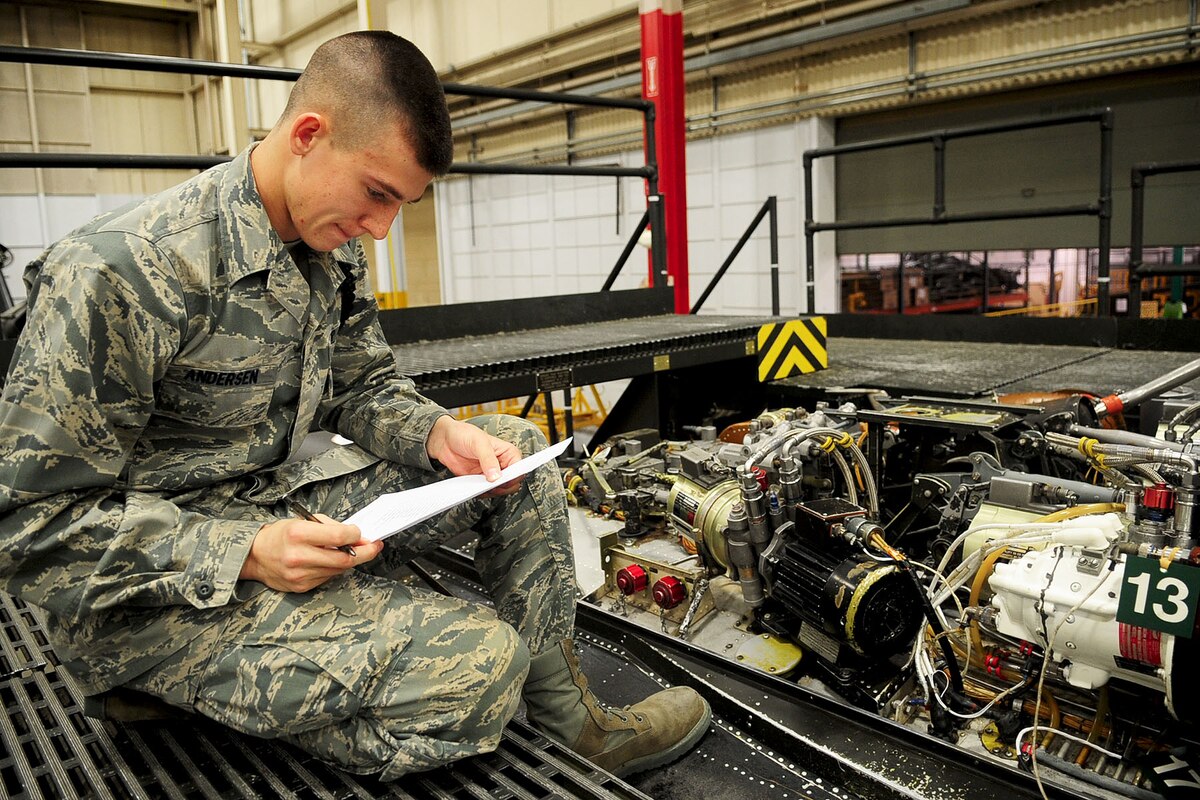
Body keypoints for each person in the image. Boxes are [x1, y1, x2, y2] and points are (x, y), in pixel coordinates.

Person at [0, 31, 709, 780]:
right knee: (479, 669)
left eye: (400, 204)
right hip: (149, 602)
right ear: (309, 134)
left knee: (511, 452)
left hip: (267, 510)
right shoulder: (122, 271)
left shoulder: (329, 249)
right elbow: (28, 527)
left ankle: (575, 721)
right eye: (377, 194)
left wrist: (437, 432)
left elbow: (362, 385)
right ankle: (178, 693)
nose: (381, 228)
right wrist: (242, 554)